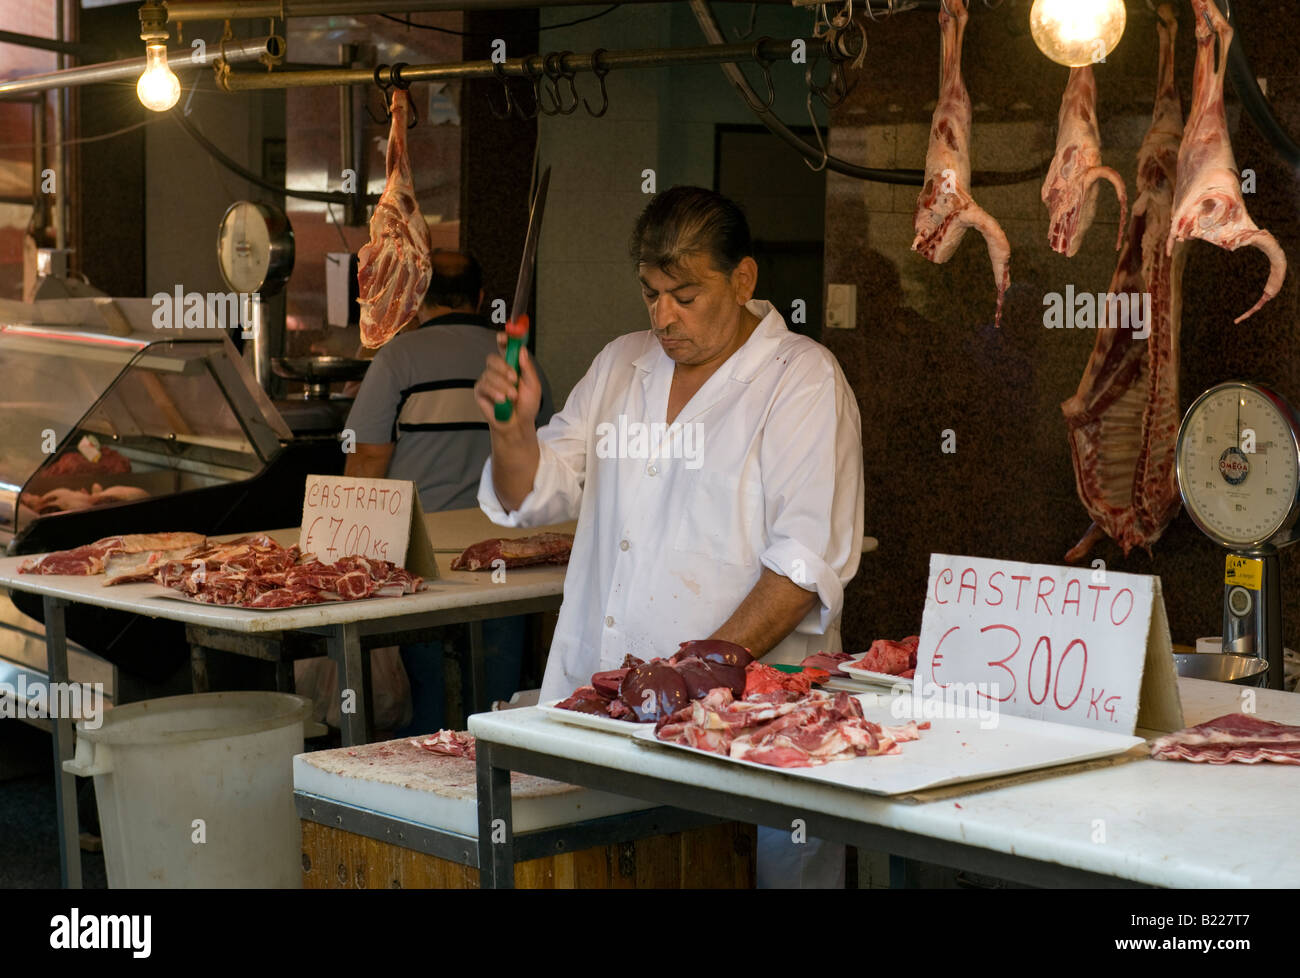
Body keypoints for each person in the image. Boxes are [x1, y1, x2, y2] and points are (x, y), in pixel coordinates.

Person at [472, 187, 865, 886]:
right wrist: (512, 429)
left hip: (749, 724)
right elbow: (534, 493)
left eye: (685, 294)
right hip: (606, 714)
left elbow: (803, 567)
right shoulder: (622, 366)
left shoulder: (801, 379)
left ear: (742, 279)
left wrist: (691, 681)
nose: (663, 317)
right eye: (652, 294)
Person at [344, 250, 554, 735]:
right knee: (494, 702)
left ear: (417, 300)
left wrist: (347, 552)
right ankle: (492, 788)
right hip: (507, 557)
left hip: (423, 558)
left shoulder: (398, 357)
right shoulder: (515, 361)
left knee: (429, 706)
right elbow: (548, 452)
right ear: (480, 299)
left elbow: (367, 458)